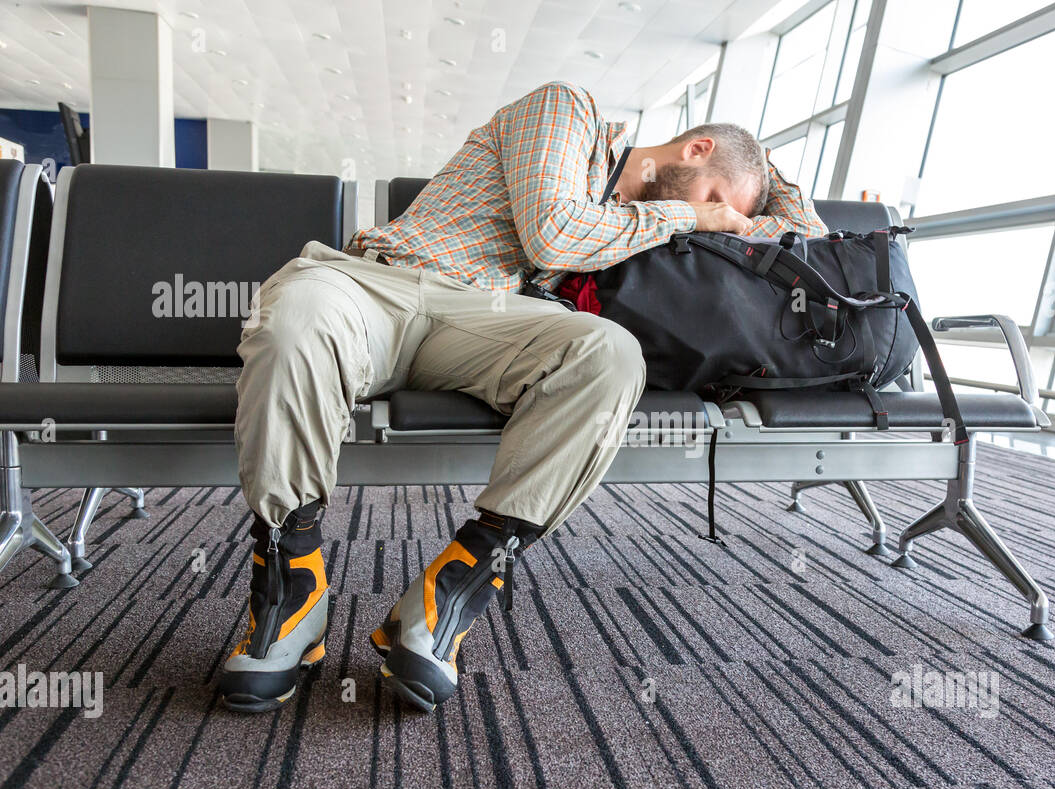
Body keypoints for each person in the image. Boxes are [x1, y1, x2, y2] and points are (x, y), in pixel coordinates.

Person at [219, 80, 826, 714]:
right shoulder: (571, 111)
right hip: (382, 285)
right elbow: (553, 235)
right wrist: (695, 210)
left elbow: (804, 239)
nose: (713, 218)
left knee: (611, 355)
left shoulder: (647, 218)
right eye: (715, 199)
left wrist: (754, 167)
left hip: (491, 319)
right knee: (293, 322)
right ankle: (291, 585)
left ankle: (451, 590)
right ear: (696, 148)